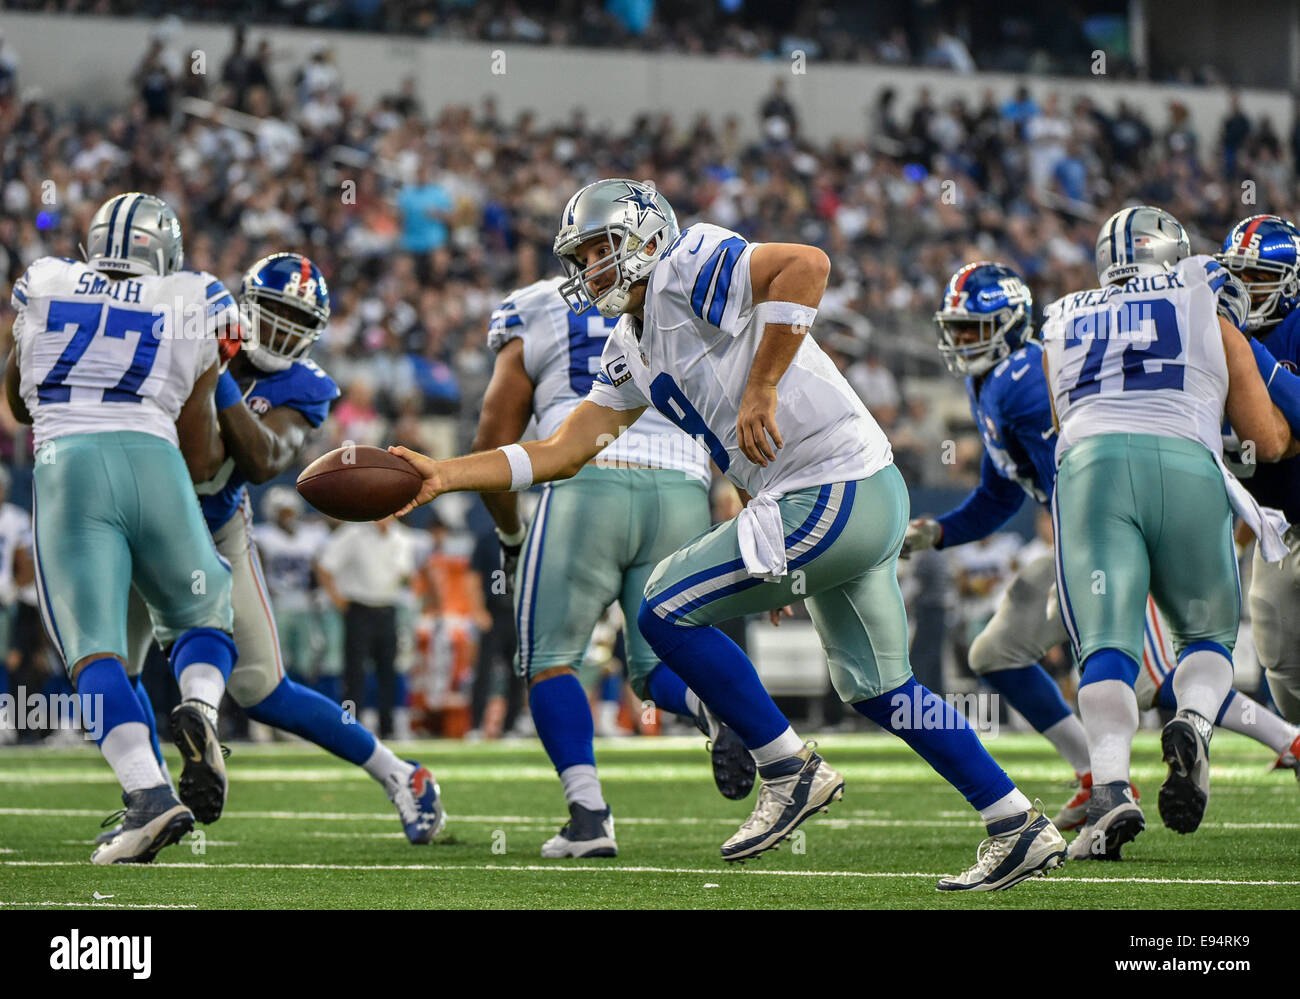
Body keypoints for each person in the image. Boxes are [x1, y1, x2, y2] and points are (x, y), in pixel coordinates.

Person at [391, 177, 1067, 891]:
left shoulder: (690, 262)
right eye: (581, 255)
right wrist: (444, 473)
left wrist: (764, 384)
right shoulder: (630, 345)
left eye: (600, 249)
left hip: (835, 485)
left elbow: (807, 264)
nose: (588, 269)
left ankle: (788, 768)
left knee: (661, 608)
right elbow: (562, 449)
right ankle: (1016, 821)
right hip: (837, 495)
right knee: (879, 686)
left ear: (647, 238)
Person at [907, 261, 1299, 835]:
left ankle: (1285, 740)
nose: (963, 340)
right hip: (1090, 528)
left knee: (1153, 670)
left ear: (1010, 323)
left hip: (1106, 527)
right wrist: (940, 533)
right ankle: (1093, 772)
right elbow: (997, 496)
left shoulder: (1023, 376)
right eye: (958, 329)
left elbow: (1076, 465)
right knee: (995, 652)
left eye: (974, 328)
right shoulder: (989, 385)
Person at [127, 252, 444, 843]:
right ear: (244, 306)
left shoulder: (305, 385)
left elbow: (265, 458)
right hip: (137, 517)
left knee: (262, 690)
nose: (278, 332)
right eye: (269, 313)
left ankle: (402, 774)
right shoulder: (184, 332)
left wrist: (214, 371)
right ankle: (149, 796)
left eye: (294, 322)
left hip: (216, 525)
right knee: (112, 670)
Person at [468, 268, 753, 858]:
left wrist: (511, 532)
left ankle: (589, 817)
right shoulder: (681, 293)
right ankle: (712, 708)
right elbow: (735, 408)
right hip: (681, 487)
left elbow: (493, 437)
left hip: (582, 482)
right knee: (654, 666)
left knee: (549, 661)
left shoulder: (537, 304)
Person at [1040, 205, 1295, 860]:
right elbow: (1267, 440)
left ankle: (1110, 792)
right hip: (1187, 463)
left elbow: (1062, 417)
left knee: (1107, 645)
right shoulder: (1205, 299)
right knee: (1206, 636)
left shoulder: (1063, 314)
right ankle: (1195, 720)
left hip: (1092, 469)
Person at [6, 192, 238, 863]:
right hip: (156, 459)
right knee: (202, 610)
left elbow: (16, 396)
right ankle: (200, 703)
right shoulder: (194, 293)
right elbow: (199, 447)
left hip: (68, 464)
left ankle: (146, 795)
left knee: (95, 648)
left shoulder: (46, 279)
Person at [316, 514, 418, 741]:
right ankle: (349, 724)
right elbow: (324, 566)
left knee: (388, 672)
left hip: (388, 609)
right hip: (358, 608)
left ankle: (388, 728)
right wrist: (337, 599)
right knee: (354, 673)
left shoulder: (402, 537)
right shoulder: (353, 532)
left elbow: (406, 576)